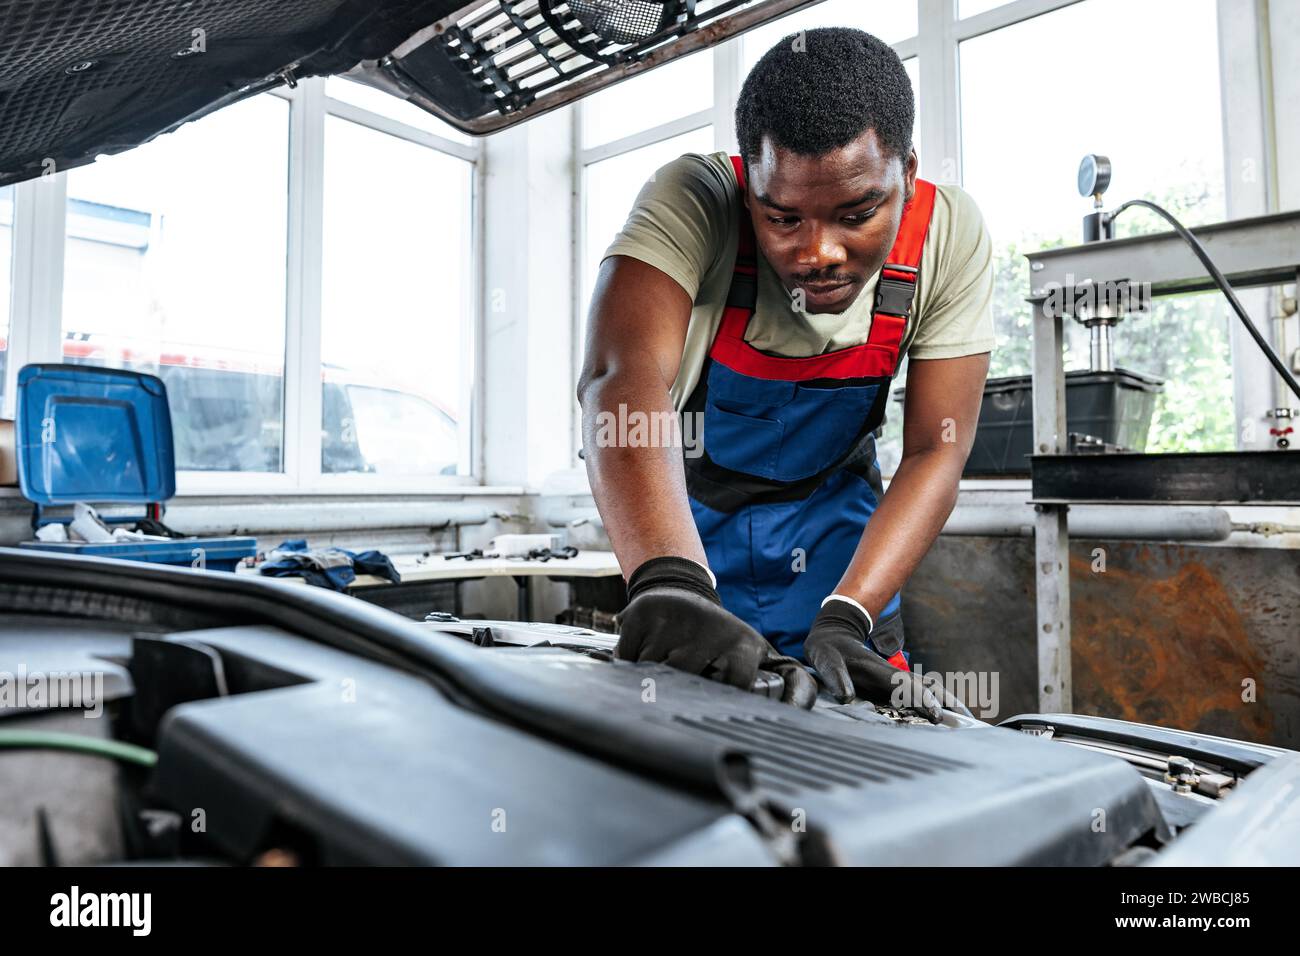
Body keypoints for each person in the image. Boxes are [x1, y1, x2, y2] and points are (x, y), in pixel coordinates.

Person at [577, 27, 993, 717]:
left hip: (845, 547)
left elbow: (935, 448)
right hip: (694, 538)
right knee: (697, 746)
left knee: (869, 749)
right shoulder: (695, 198)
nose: (819, 252)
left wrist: (850, 615)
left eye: (857, 213)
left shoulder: (948, 236)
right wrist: (670, 579)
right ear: (748, 186)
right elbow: (619, 377)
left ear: (908, 175)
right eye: (782, 217)